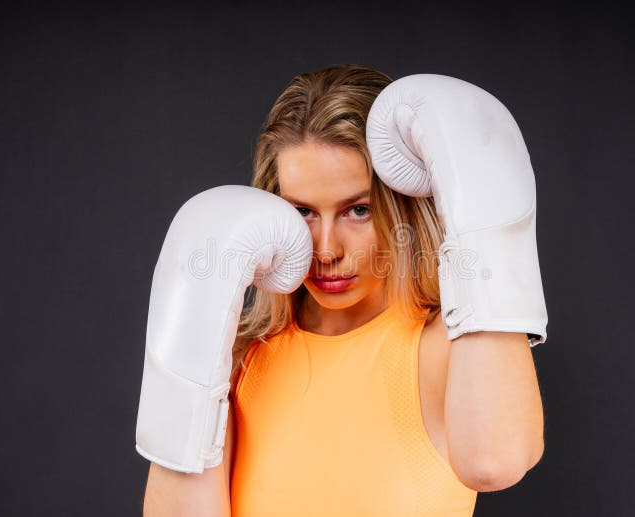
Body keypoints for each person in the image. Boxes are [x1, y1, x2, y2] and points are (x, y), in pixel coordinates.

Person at [139, 64, 548, 516]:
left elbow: (495, 463)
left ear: (403, 210)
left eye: (357, 210)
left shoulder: (448, 348)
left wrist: (493, 234)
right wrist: (181, 372)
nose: (326, 248)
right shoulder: (238, 361)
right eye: (304, 211)